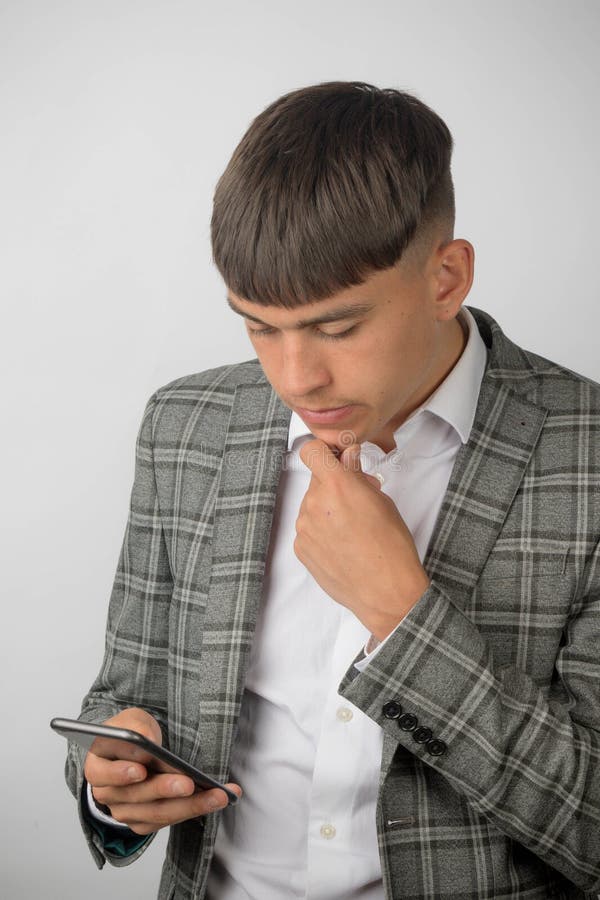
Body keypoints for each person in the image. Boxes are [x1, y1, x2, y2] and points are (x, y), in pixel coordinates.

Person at [64, 81, 600, 899]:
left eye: (338, 327)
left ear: (447, 277)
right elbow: (122, 697)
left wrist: (401, 615)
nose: (296, 377)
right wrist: (111, 782)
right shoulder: (185, 427)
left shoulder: (586, 455)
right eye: (258, 325)